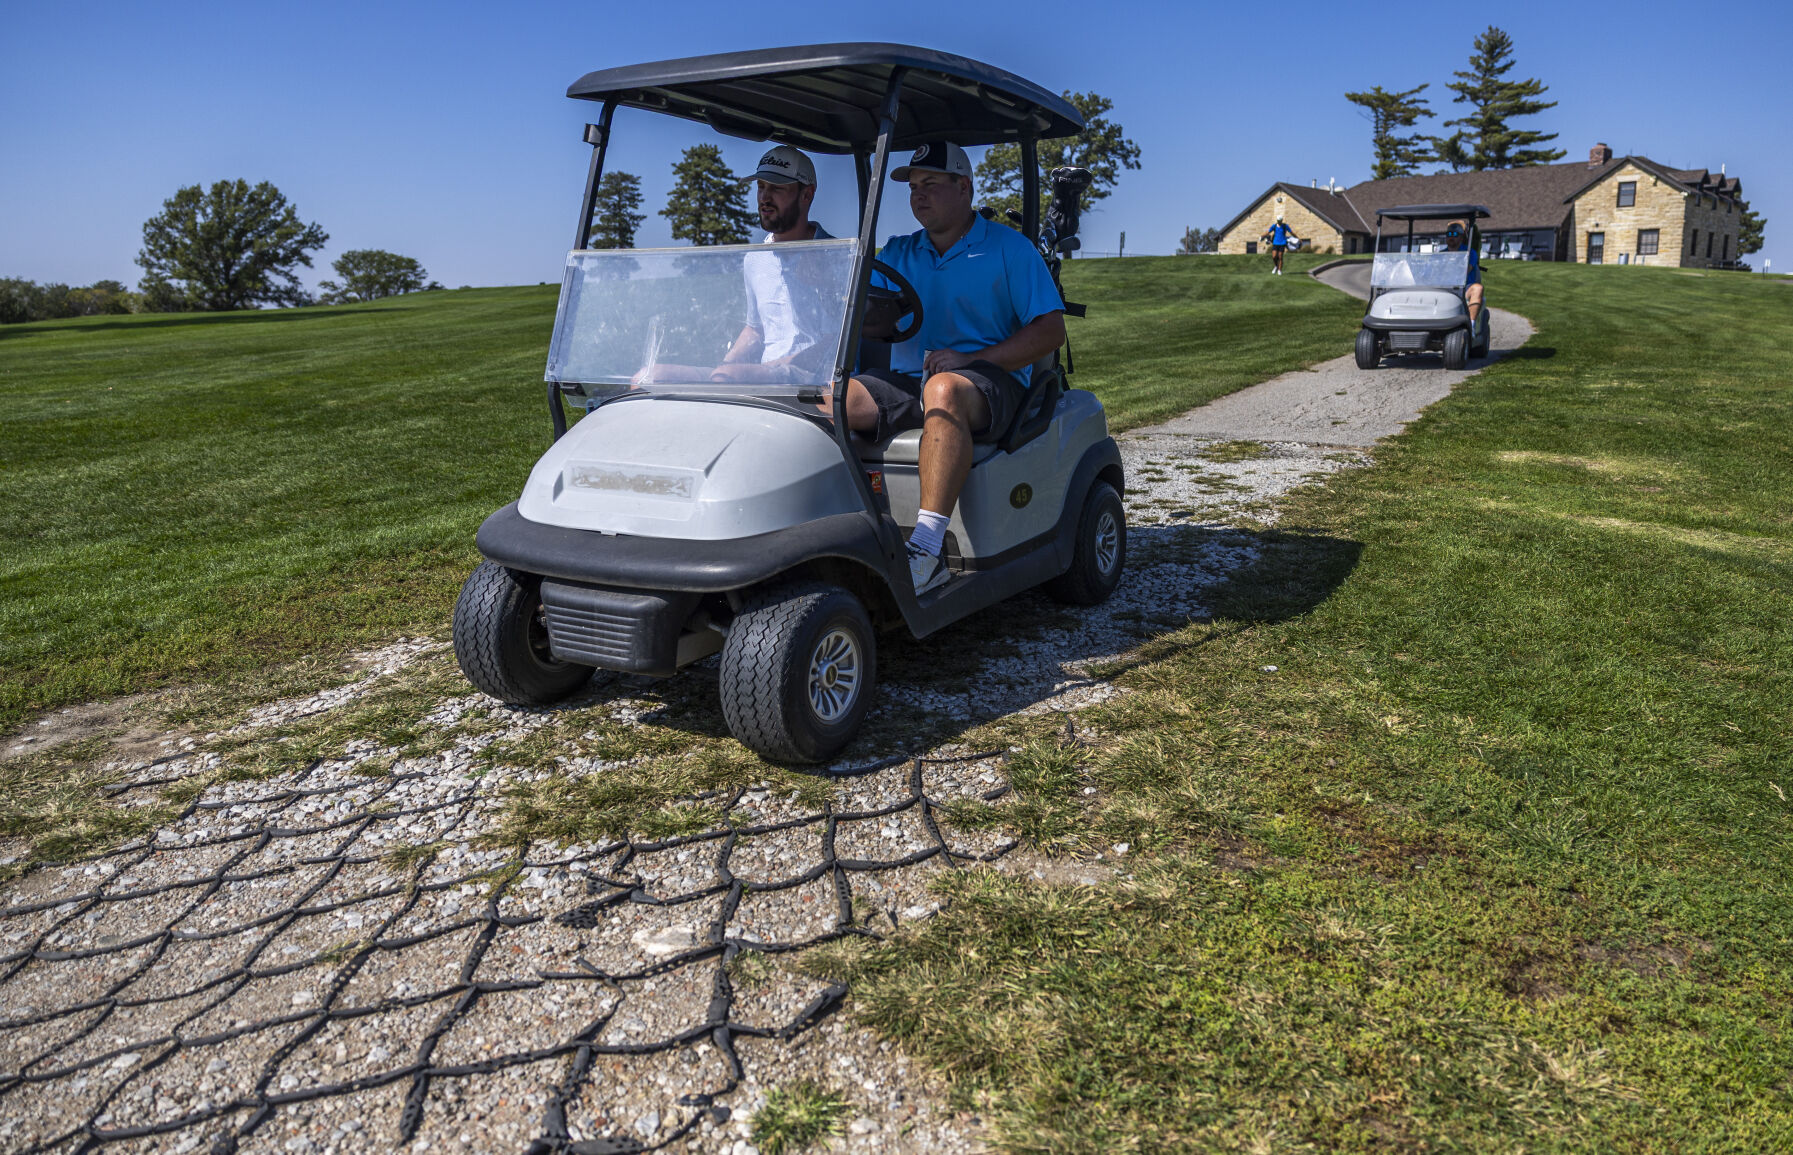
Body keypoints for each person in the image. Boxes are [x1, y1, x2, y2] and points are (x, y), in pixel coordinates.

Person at [840, 141, 1067, 595]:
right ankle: (842, 530)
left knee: (943, 389)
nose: (917, 195)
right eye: (912, 187)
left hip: (994, 381)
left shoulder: (1009, 248)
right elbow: (866, 314)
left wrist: (973, 360)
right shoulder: (898, 252)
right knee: (834, 401)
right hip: (911, 380)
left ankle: (927, 548)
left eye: (930, 185)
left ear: (963, 187)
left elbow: (1049, 331)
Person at [635, 145, 835, 385]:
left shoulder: (834, 256)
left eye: (776, 188)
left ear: (806, 195)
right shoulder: (755, 259)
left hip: (815, 380)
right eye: (760, 187)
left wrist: (749, 371)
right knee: (647, 377)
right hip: (766, 375)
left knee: (727, 378)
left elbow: (833, 344)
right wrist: (725, 365)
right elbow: (755, 329)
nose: (765, 198)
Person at [1441, 217, 1485, 326]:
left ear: (1461, 237)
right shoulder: (1440, 254)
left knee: (1478, 288)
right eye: (1449, 234)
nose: (1451, 237)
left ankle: (1471, 326)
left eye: (1455, 235)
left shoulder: (1470, 253)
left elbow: (1464, 271)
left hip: (1464, 288)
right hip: (1444, 289)